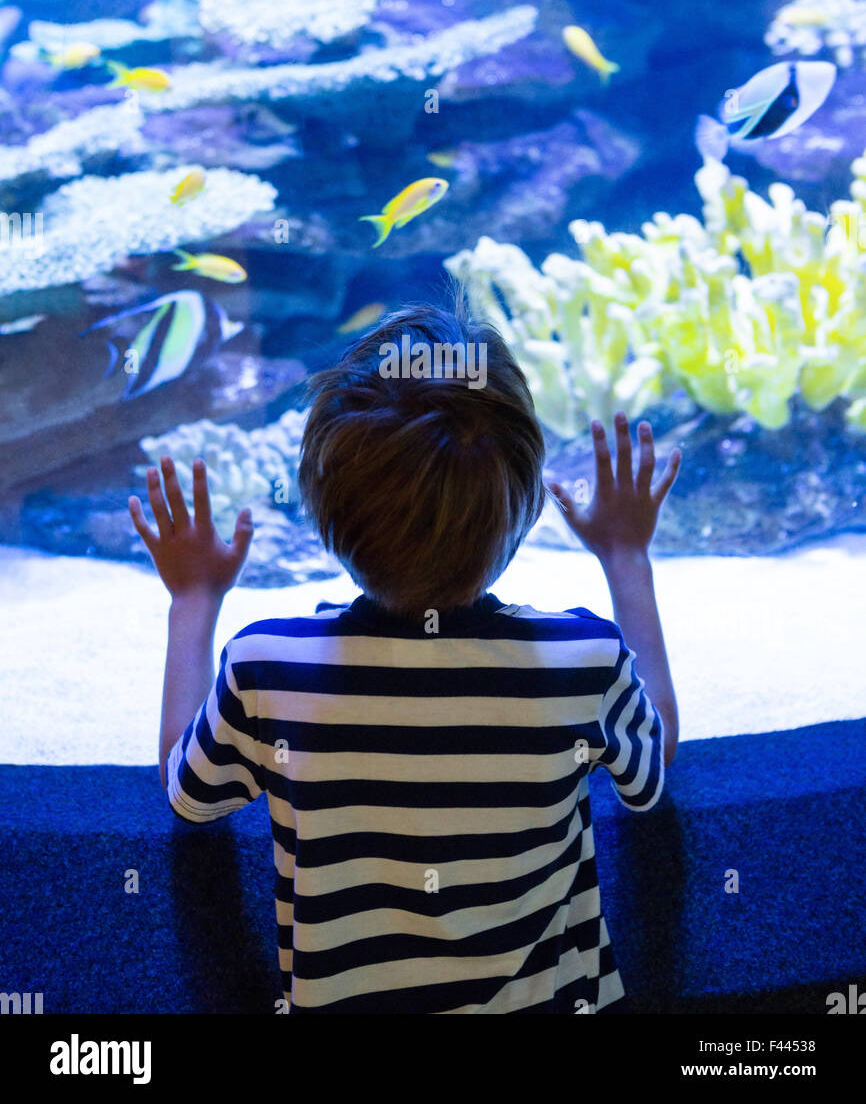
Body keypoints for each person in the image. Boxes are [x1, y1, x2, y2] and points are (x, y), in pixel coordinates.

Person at [129, 303, 681, 1014]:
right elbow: (652, 765)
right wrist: (627, 556)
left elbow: (187, 794)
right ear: (524, 501)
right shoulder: (583, 661)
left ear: (324, 507)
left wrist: (194, 600)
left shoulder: (268, 667)